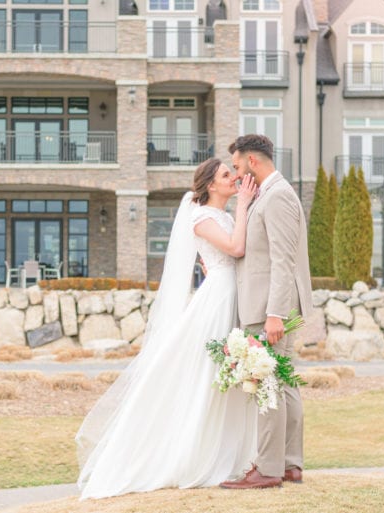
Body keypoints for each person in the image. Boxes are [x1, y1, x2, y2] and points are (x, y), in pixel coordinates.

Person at [76, 158, 258, 500]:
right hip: (219, 297)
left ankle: (230, 451)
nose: (233, 177)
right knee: (208, 374)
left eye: (232, 172)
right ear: (210, 186)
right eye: (225, 175)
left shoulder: (225, 215)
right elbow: (235, 248)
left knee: (228, 376)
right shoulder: (202, 217)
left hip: (233, 292)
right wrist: (246, 204)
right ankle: (192, 454)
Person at [219, 134, 313, 490]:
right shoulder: (268, 195)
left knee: (269, 383)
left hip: (272, 307)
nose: (238, 172)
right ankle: (289, 465)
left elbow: (283, 260)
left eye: (239, 165)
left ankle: (269, 470)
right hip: (269, 305)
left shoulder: (278, 196)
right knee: (284, 383)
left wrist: (275, 312)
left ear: (253, 162)